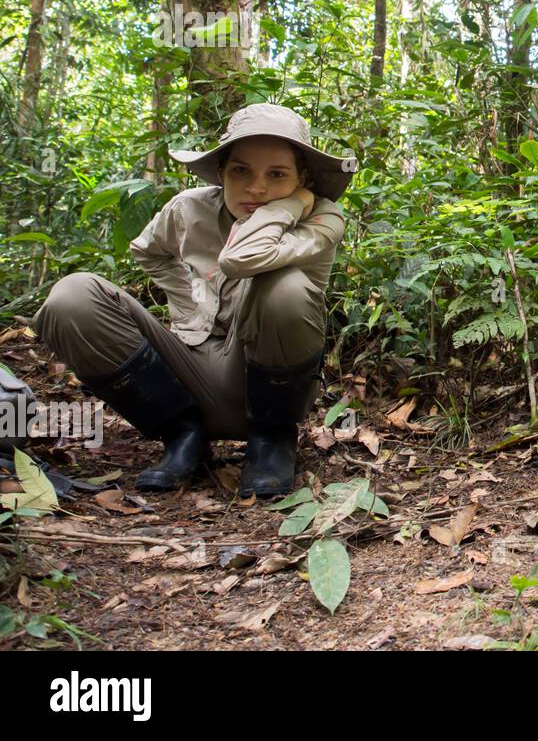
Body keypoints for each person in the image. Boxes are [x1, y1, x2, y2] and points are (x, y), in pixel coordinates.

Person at [33, 103, 356, 498]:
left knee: (285, 286)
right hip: (184, 369)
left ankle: (272, 441)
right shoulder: (189, 208)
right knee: (72, 297)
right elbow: (147, 251)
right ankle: (182, 435)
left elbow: (243, 257)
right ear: (220, 172)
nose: (257, 187)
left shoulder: (323, 218)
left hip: (261, 379)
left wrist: (290, 205)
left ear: (303, 177)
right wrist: (187, 304)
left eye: (277, 174)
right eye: (241, 171)